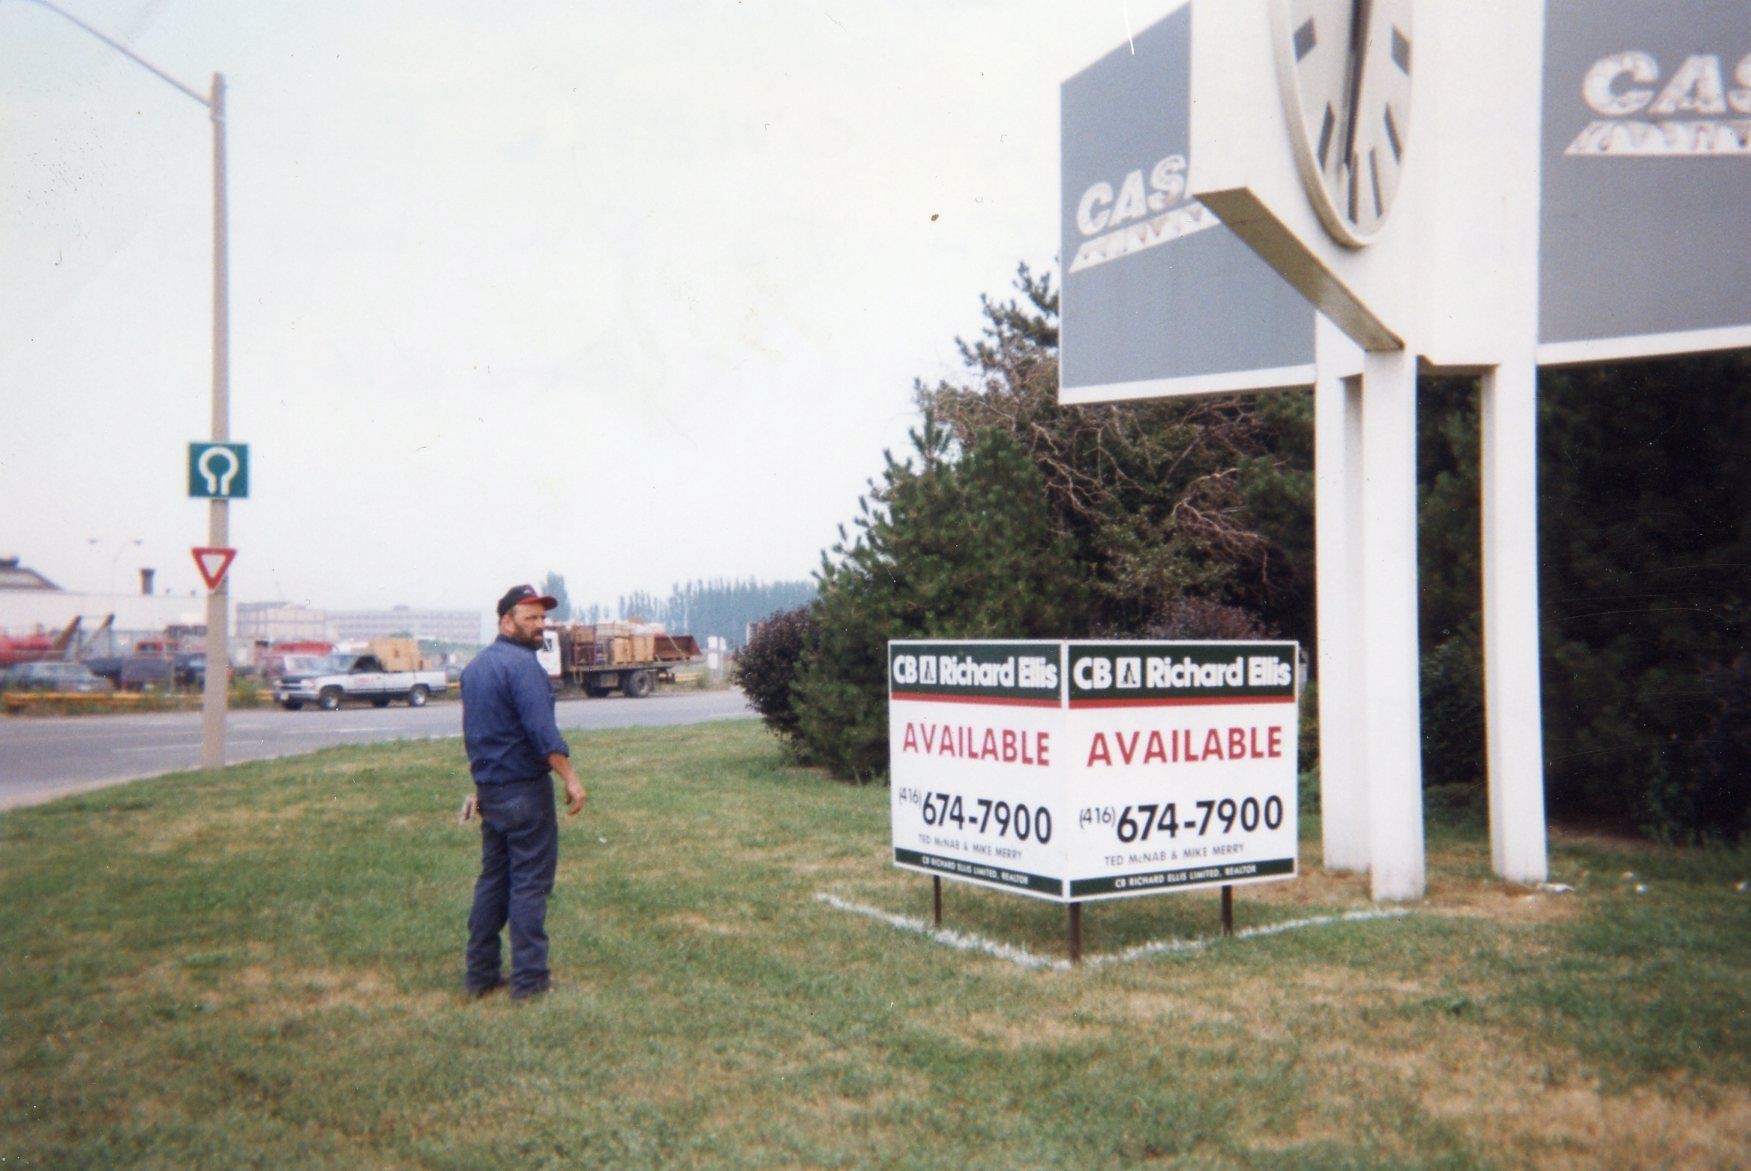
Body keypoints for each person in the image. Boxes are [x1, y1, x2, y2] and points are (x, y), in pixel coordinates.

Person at [459, 583, 587, 1000]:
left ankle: (480, 975)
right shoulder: (524, 668)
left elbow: (477, 735)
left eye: (542, 618)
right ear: (505, 620)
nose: (539, 626)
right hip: (525, 795)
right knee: (529, 884)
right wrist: (570, 777)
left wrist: (480, 785)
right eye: (529, 618)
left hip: (491, 793)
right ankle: (529, 982)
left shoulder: (475, 668)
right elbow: (542, 733)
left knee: (493, 880)